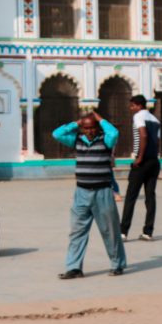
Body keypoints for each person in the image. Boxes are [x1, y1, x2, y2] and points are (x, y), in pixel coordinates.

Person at [52, 108, 124, 279]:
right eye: (86, 128)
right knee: (77, 231)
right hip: (82, 193)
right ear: (81, 129)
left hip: (103, 192)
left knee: (110, 231)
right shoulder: (76, 140)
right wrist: (77, 122)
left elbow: (114, 132)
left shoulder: (106, 141)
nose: (89, 131)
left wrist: (100, 119)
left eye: (92, 127)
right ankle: (74, 267)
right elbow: (57, 133)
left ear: (98, 128)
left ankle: (117, 264)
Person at [121, 105, 162, 241]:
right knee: (150, 197)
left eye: (132, 105)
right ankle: (148, 232)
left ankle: (123, 232)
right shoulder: (155, 120)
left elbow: (143, 135)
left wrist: (139, 157)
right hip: (154, 161)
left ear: (138, 105)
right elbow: (157, 141)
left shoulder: (138, 116)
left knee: (131, 197)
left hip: (142, 162)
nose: (131, 108)